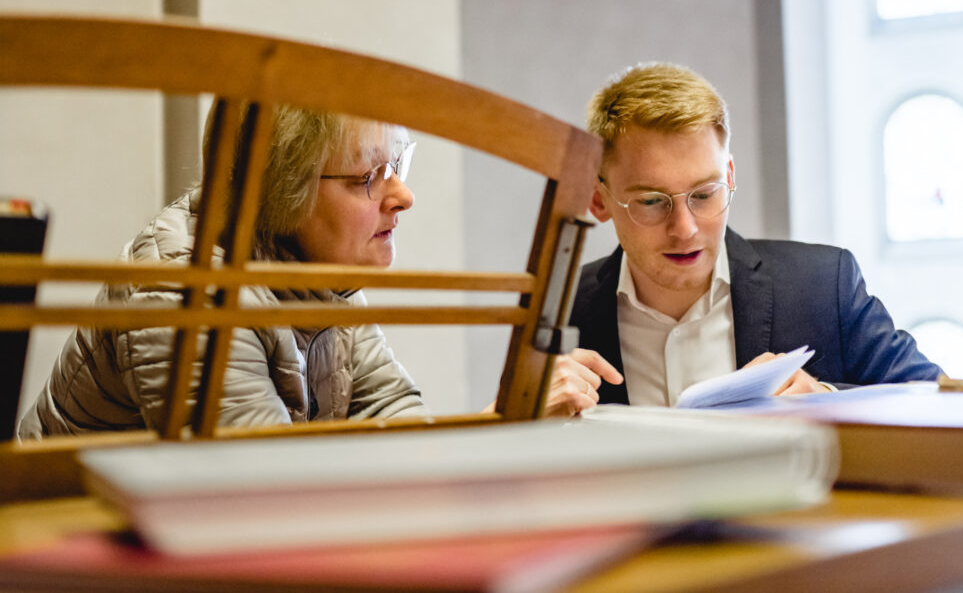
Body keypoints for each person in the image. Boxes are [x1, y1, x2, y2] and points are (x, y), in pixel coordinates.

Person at [18, 104, 603, 438]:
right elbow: (265, 488)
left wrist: (506, 421)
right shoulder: (179, 283)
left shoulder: (322, 273)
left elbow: (397, 420)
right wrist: (498, 424)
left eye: (398, 164)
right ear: (283, 192)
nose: (404, 196)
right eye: (367, 177)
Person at [567, 62, 943, 407]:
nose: (685, 228)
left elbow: (941, 400)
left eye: (703, 194)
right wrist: (526, 415)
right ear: (598, 200)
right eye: (651, 201)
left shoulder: (824, 285)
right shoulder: (560, 308)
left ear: (729, 178)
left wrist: (826, 397)